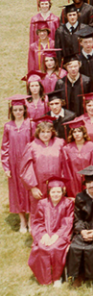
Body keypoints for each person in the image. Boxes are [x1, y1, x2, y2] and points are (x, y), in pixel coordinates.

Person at [28, 177, 73, 287]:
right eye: (53, 192)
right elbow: (37, 222)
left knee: (55, 248)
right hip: (45, 234)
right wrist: (43, 235)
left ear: (63, 192)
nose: (56, 194)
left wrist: (56, 236)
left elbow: (68, 223)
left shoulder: (68, 204)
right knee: (41, 247)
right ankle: (45, 278)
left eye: (58, 192)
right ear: (49, 192)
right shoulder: (42, 204)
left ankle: (57, 278)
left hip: (61, 235)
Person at [19, 117, 65, 214]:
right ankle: (39, 227)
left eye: (48, 131)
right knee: (38, 208)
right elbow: (26, 168)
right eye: (42, 132)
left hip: (56, 184)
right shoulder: (31, 146)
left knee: (56, 207)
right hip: (39, 184)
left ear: (52, 132)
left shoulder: (60, 143)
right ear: (37, 132)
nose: (45, 135)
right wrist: (33, 187)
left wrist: (64, 183)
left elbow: (65, 165)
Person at [2, 95, 34, 231]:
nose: (18, 112)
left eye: (20, 109)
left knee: (30, 189)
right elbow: (4, 147)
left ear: (24, 110)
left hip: (28, 162)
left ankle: (32, 220)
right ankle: (22, 221)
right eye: (15, 110)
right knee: (16, 190)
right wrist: (6, 167)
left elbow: (34, 143)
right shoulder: (8, 126)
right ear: (11, 111)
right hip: (14, 163)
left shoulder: (31, 124)